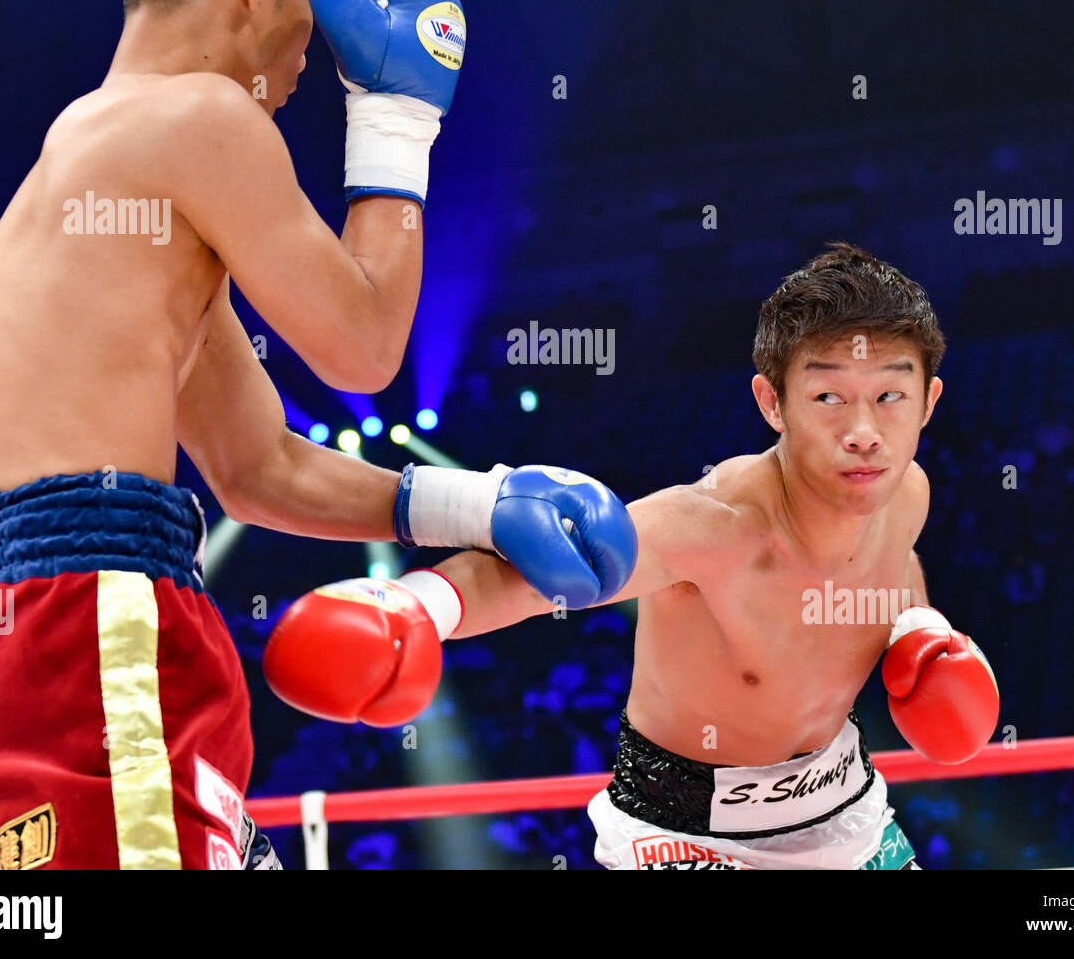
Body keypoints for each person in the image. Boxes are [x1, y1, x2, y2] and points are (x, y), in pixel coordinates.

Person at [0, 0, 635, 871]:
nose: (311, 61)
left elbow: (256, 467)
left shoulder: (102, 164)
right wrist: (397, 118)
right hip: (97, 629)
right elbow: (362, 349)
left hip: (58, 629)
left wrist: (473, 505)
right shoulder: (200, 115)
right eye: (308, 22)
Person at [271, 243, 998, 869]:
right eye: (830, 397)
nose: (865, 431)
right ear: (772, 403)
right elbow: (545, 569)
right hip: (682, 832)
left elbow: (896, 567)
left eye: (891, 395)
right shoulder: (715, 523)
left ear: (929, 400)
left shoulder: (907, 493)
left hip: (843, 804)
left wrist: (919, 628)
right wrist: (413, 605)